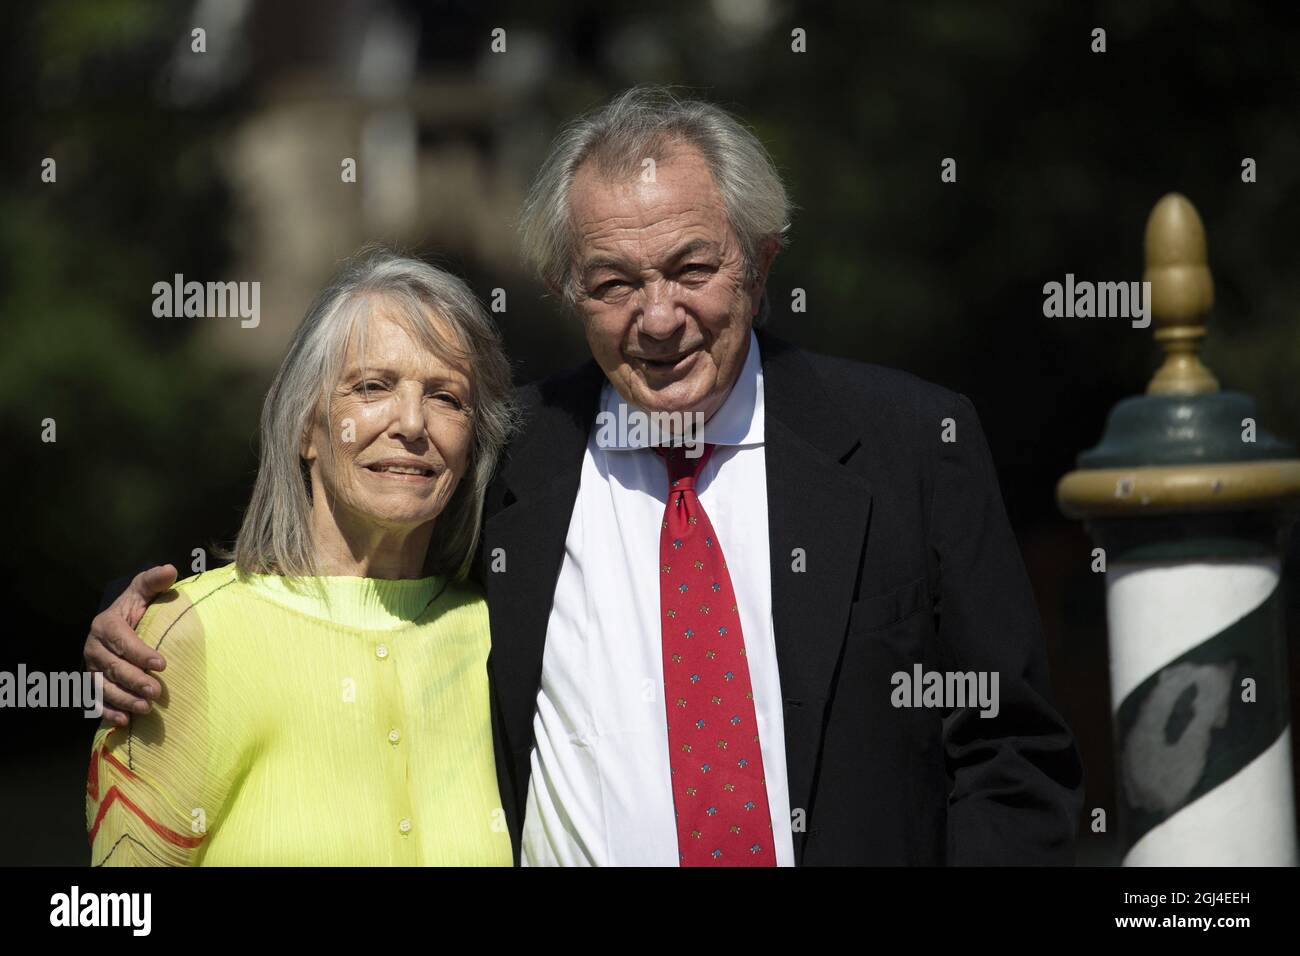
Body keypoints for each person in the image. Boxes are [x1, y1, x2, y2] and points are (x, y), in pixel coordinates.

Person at [87, 87, 1084, 866]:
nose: (656, 317)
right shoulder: (509, 454)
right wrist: (151, 627)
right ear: (568, 290)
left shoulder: (915, 444)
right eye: (612, 282)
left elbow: (1013, 763)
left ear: (761, 260)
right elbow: (351, 563)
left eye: (690, 268)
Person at [84, 251, 517, 865]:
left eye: (447, 397)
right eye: (373, 387)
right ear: (305, 428)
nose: (413, 423)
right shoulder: (185, 637)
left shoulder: (507, 634)